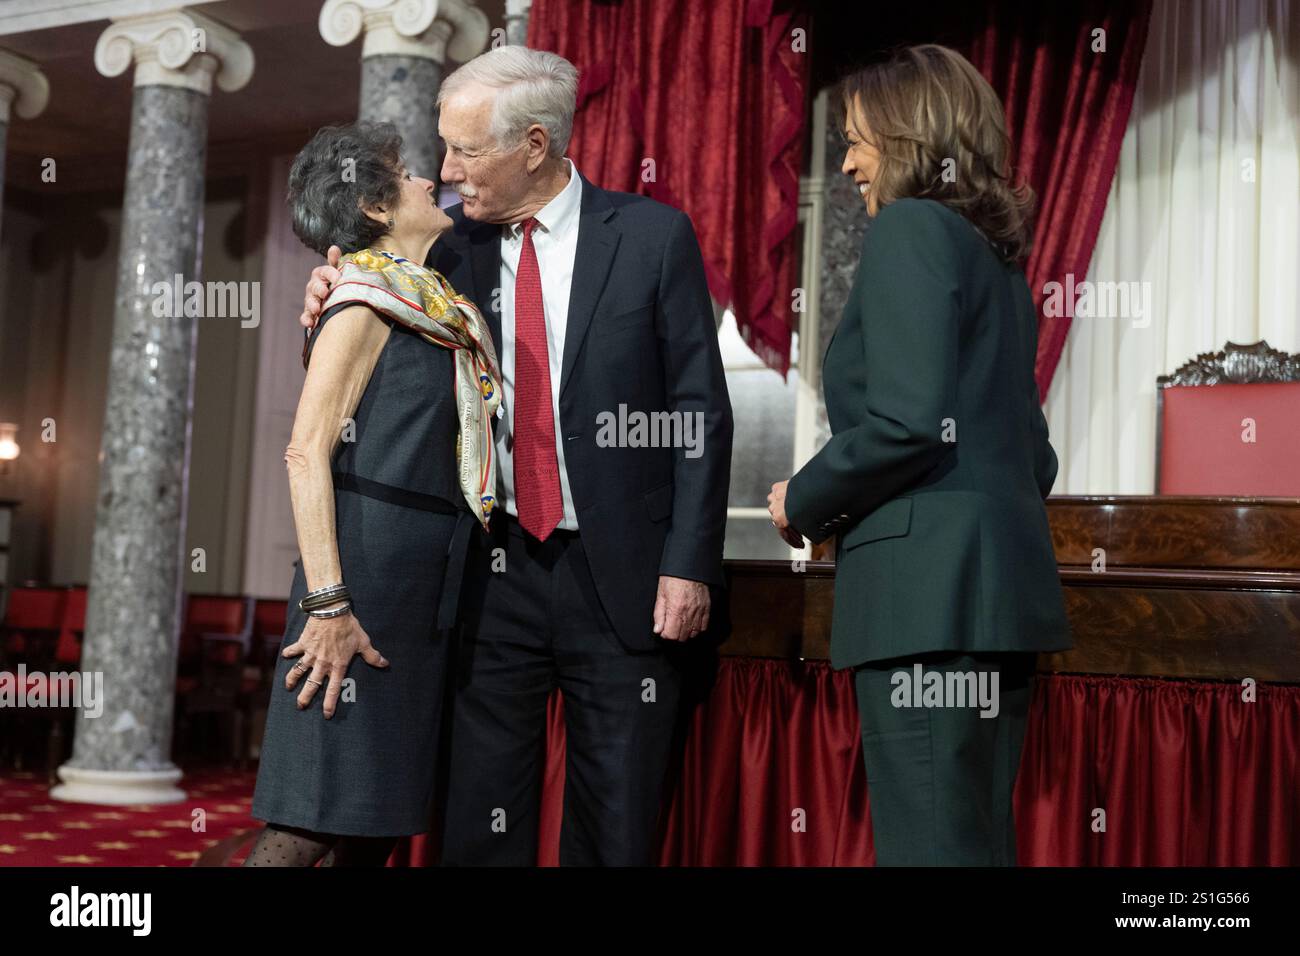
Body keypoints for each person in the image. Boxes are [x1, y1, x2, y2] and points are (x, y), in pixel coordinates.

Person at [299, 47, 733, 866]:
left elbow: (700, 413)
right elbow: (363, 338)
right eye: (444, 149)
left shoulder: (651, 236)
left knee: (618, 825)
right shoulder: (443, 248)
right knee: (478, 819)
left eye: (466, 150)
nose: (448, 170)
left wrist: (689, 563)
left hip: (626, 577)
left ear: (535, 145)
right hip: (485, 572)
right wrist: (325, 294)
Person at [767, 45, 1072, 866]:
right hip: (994, 602)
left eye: (861, 139)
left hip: (925, 608)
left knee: (932, 848)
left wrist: (804, 496)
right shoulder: (994, 259)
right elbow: (1031, 457)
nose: (849, 161)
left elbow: (905, 424)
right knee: (972, 844)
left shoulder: (910, 229)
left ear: (910, 137)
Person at [245, 120, 501, 866]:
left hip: (419, 584)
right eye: (410, 173)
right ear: (380, 207)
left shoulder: (432, 299)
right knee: (313, 815)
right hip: (358, 579)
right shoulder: (359, 299)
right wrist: (329, 605)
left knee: (376, 816)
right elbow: (304, 451)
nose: (430, 181)